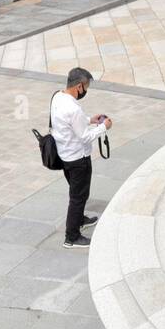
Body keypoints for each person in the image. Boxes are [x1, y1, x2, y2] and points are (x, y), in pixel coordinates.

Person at [51, 68, 111, 249]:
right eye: (86, 87)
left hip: (65, 155)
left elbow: (71, 122)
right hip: (78, 159)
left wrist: (90, 120)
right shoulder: (73, 108)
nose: (86, 91)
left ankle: (80, 219)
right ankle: (72, 237)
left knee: (78, 193)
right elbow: (84, 137)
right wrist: (104, 127)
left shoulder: (58, 97)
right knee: (78, 196)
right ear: (79, 86)